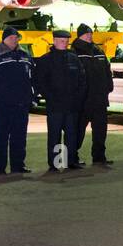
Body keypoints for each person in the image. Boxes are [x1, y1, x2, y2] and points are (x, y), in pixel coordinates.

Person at [0, 25, 35, 174]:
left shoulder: (24, 56)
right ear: (4, 39)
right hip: (2, 104)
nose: (14, 40)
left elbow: (32, 77)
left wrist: (32, 96)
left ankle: (18, 165)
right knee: (0, 137)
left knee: (19, 136)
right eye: (11, 38)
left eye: (16, 37)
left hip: (21, 104)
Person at [34, 29, 87, 171]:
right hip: (55, 106)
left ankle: (71, 161)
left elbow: (82, 80)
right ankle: (55, 163)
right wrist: (50, 97)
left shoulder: (74, 59)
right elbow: (39, 82)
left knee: (71, 135)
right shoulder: (46, 60)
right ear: (54, 41)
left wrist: (78, 98)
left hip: (72, 105)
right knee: (54, 136)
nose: (65, 43)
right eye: (62, 41)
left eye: (67, 41)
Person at [72, 23, 114, 166]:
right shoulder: (74, 52)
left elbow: (107, 70)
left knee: (100, 130)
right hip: (83, 100)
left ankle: (99, 156)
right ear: (80, 36)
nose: (89, 36)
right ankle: (72, 156)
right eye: (86, 34)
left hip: (100, 99)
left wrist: (109, 86)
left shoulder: (98, 51)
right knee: (78, 130)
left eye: (90, 33)